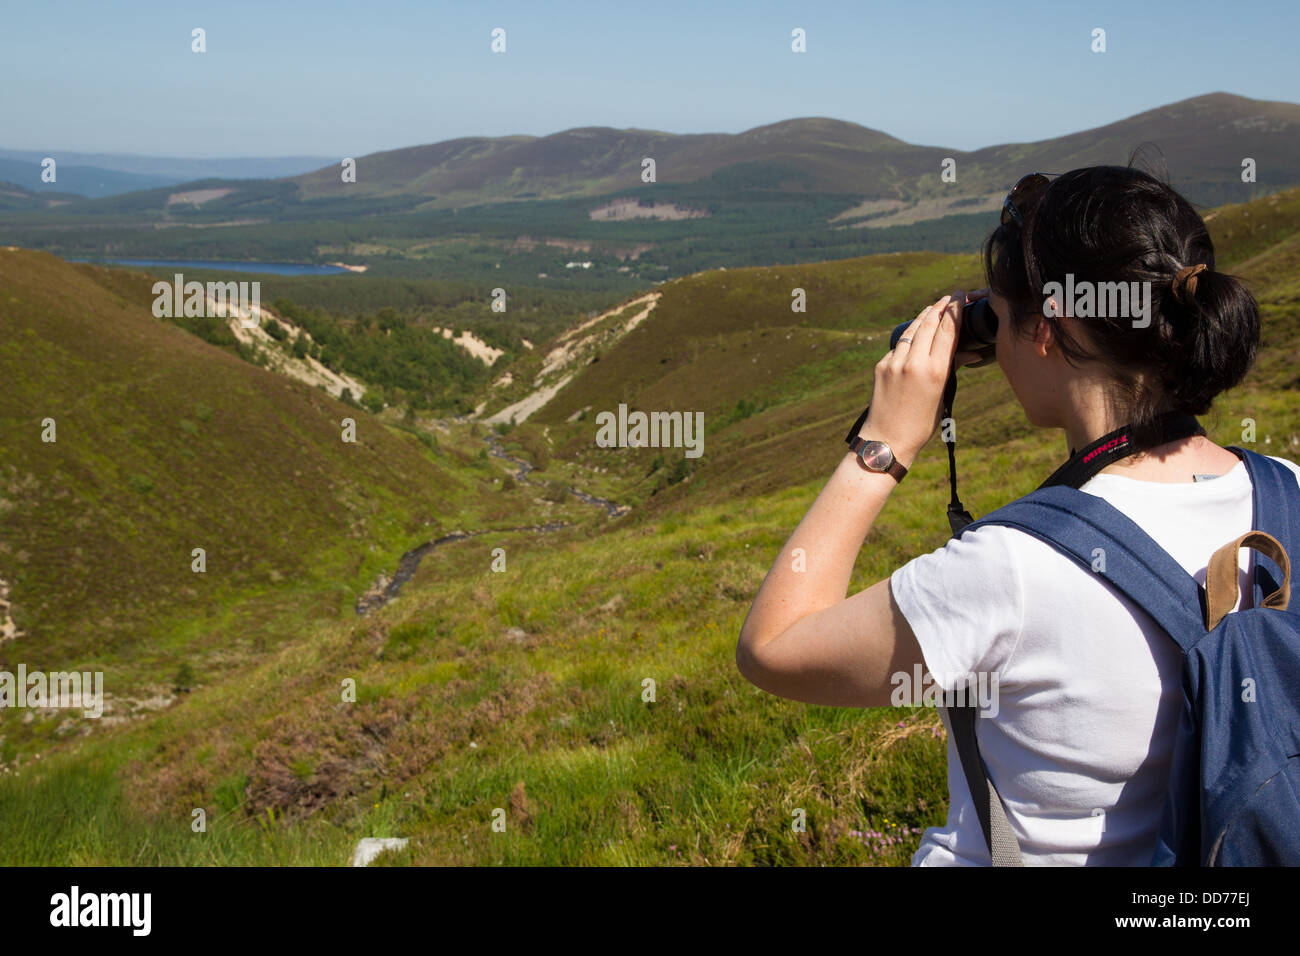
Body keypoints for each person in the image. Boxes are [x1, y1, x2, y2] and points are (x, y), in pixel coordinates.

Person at [734, 164, 1300, 865]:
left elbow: (772, 648)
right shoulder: (1290, 494)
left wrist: (880, 447)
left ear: (1047, 329)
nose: (992, 347)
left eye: (997, 321)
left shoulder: (1017, 567)